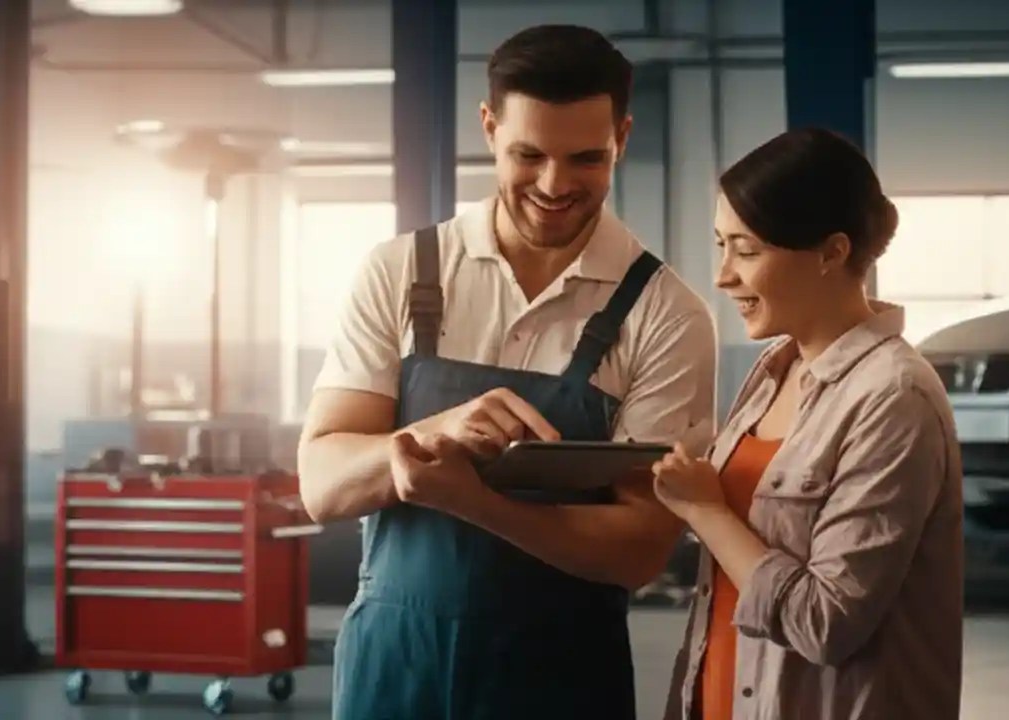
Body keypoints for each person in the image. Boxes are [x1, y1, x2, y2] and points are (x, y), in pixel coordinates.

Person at [298, 24, 717, 720]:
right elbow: (321, 484)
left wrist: (473, 499)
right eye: (529, 154)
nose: (555, 186)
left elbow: (640, 549)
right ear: (489, 128)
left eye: (587, 158)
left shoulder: (666, 314)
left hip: (559, 679)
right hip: (394, 673)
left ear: (623, 136)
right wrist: (435, 433)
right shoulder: (400, 272)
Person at [654, 128, 964, 720]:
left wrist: (706, 512)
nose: (722, 275)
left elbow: (826, 623)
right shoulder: (776, 371)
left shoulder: (894, 397)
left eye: (746, 251)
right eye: (721, 246)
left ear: (831, 252)